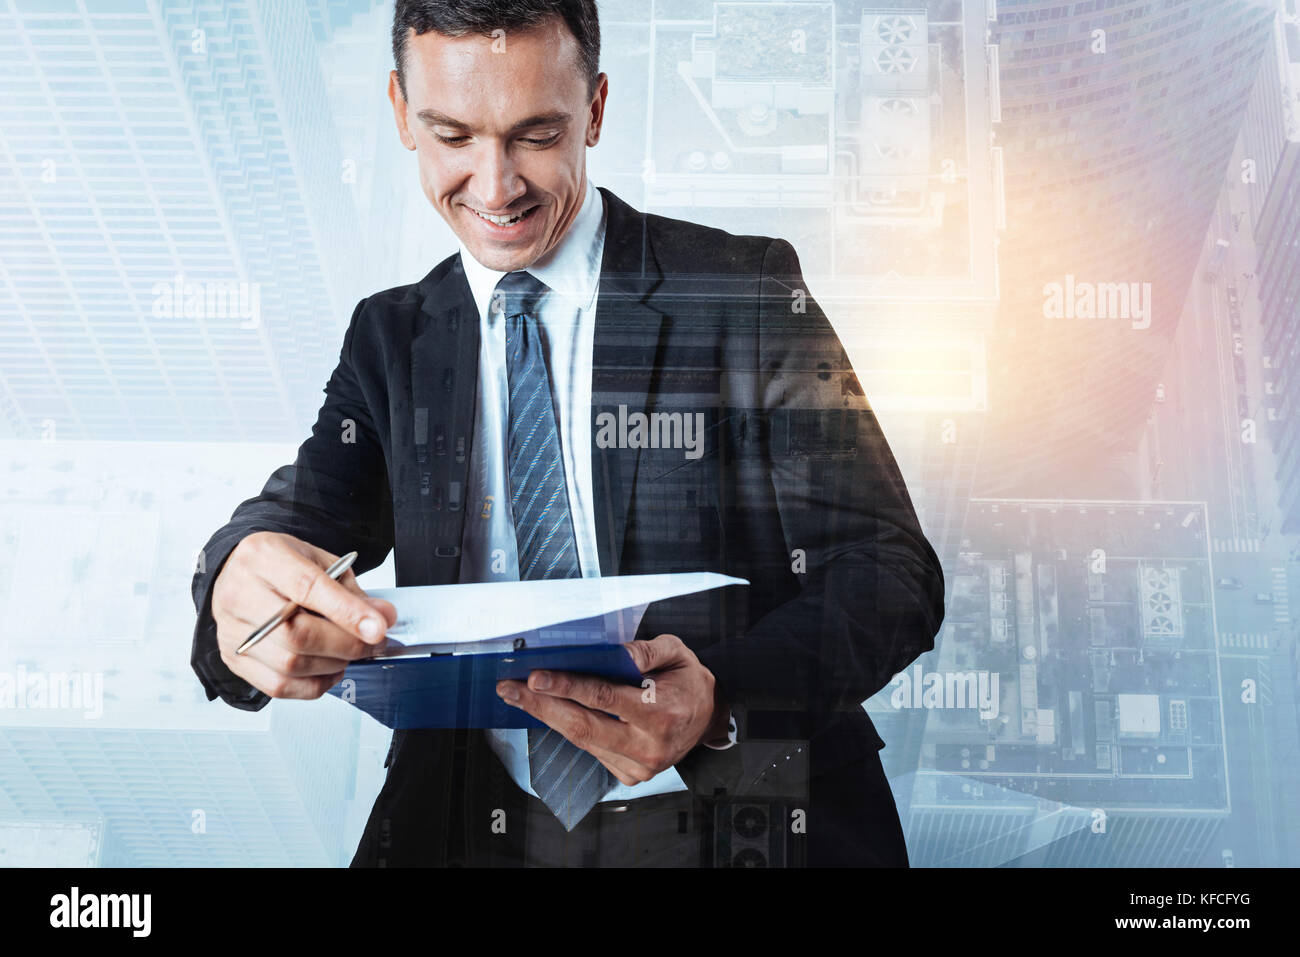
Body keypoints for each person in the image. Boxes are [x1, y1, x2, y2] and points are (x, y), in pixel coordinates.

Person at [189, 0, 945, 867]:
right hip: (472, 825)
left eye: (536, 135)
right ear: (401, 112)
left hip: (742, 817)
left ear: (594, 109)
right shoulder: (390, 337)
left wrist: (718, 702)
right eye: (452, 135)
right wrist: (235, 580)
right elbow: (298, 521)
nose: (495, 184)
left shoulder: (744, 291)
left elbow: (889, 569)